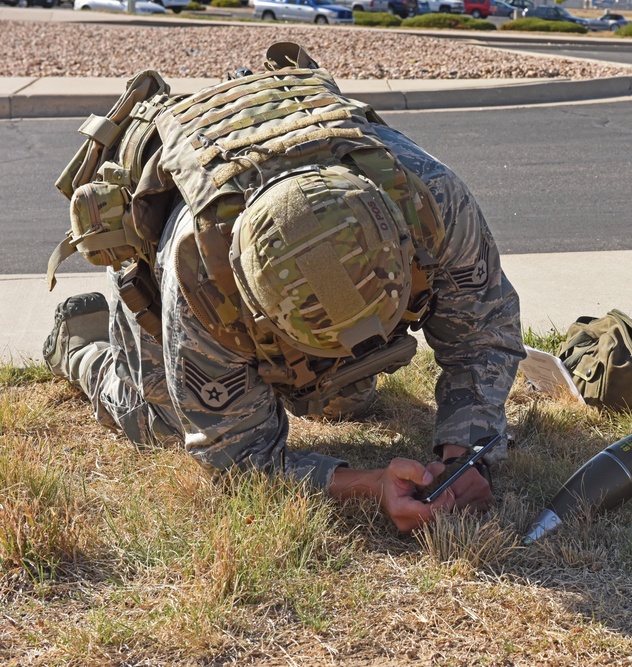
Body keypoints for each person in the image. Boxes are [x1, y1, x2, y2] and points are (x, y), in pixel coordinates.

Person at [43, 42, 525, 533]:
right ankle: (78, 347)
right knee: (159, 423)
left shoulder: (432, 199)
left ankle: (325, 371)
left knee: (348, 398)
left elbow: (483, 333)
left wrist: (467, 453)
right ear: (256, 308)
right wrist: (369, 482)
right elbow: (235, 458)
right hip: (157, 242)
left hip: (302, 172)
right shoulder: (198, 281)